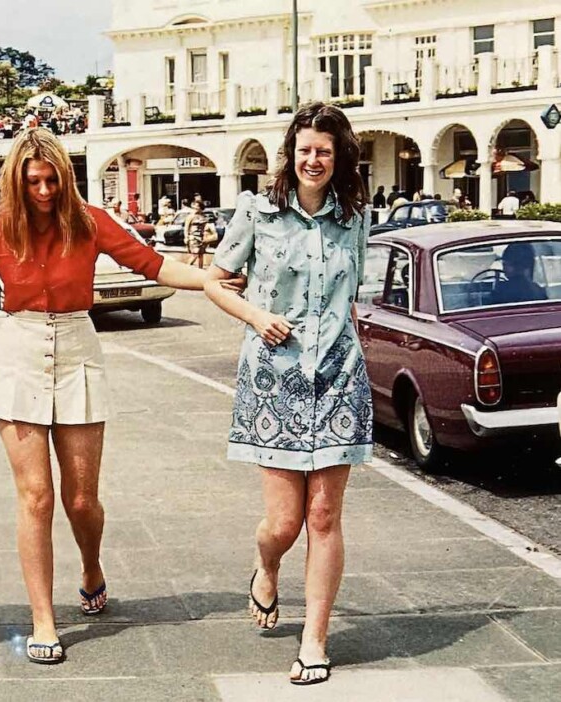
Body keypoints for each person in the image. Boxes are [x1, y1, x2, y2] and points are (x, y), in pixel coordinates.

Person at [0, 128, 240, 664]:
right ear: (16, 182)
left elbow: (151, 264)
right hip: (19, 351)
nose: (44, 191)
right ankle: (43, 619)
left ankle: (91, 565)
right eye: (34, 182)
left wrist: (213, 277)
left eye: (52, 180)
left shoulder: (89, 221)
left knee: (80, 499)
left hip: (78, 348)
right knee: (36, 497)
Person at [203, 102, 373, 686]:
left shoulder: (354, 218)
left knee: (323, 515)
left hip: (338, 379)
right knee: (283, 522)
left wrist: (353, 350)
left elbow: (352, 297)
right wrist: (255, 315)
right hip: (274, 381)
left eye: (324, 150)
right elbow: (215, 282)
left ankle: (314, 639)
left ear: (338, 156)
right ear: (290, 152)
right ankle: (266, 566)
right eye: (305, 149)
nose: (314, 159)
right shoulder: (258, 211)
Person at [183, 201, 217, 269]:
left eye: (197, 206)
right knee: (195, 253)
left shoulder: (203, 217)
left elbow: (207, 226)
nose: (195, 207)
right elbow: (186, 227)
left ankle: (200, 269)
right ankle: (186, 268)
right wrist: (186, 237)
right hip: (193, 237)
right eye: (195, 206)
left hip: (202, 237)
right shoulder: (190, 216)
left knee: (201, 254)